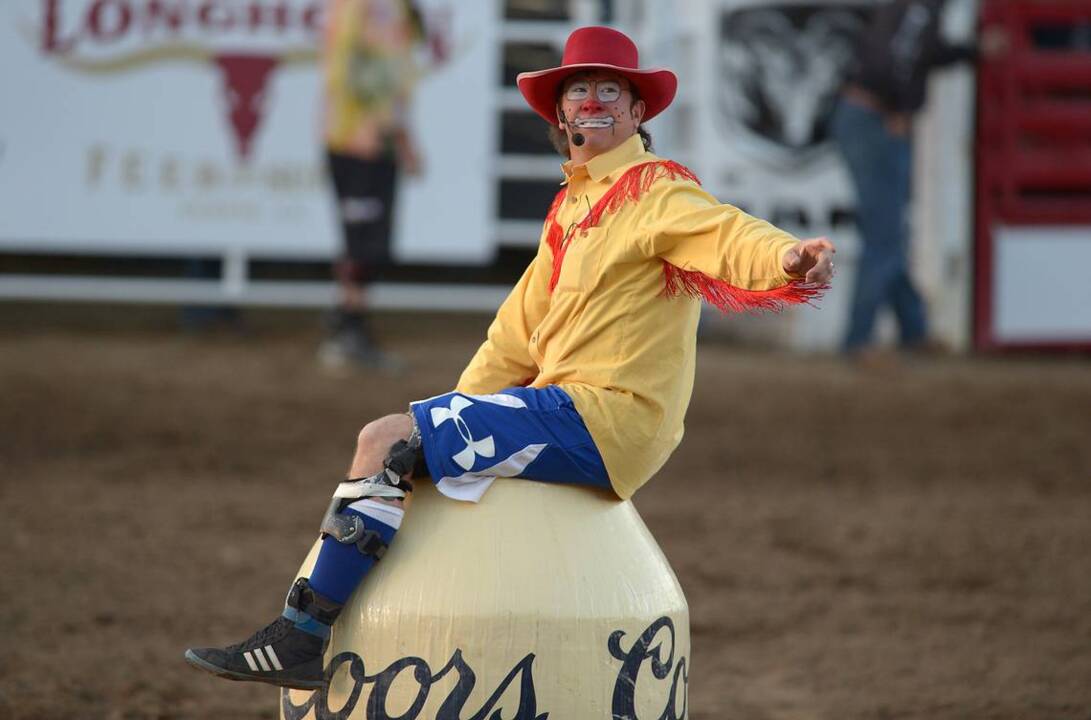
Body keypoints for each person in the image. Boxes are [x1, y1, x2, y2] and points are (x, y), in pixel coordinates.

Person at [184, 25, 836, 690]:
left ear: (637, 112)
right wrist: (450, 411)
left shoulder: (656, 190)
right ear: (560, 113)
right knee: (401, 442)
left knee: (383, 442)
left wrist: (784, 257)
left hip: (600, 418)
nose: (592, 101)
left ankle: (302, 634)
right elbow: (516, 333)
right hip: (573, 413)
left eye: (609, 89)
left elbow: (726, 233)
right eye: (578, 90)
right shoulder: (573, 205)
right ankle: (304, 630)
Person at [830, 0, 1004, 358]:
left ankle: (912, 329)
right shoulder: (921, 9)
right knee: (886, 234)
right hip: (877, 118)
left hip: (864, 114)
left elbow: (914, 50)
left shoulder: (909, 8)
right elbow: (906, 52)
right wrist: (900, 107)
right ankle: (858, 340)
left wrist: (971, 51)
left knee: (887, 233)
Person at [318, 0, 426, 371]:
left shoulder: (381, 9)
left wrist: (401, 138)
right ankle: (347, 330)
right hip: (359, 142)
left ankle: (347, 327)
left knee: (368, 241)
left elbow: (380, 76)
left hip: (368, 141)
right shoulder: (363, 8)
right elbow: (357, 72)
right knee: (362, 241)